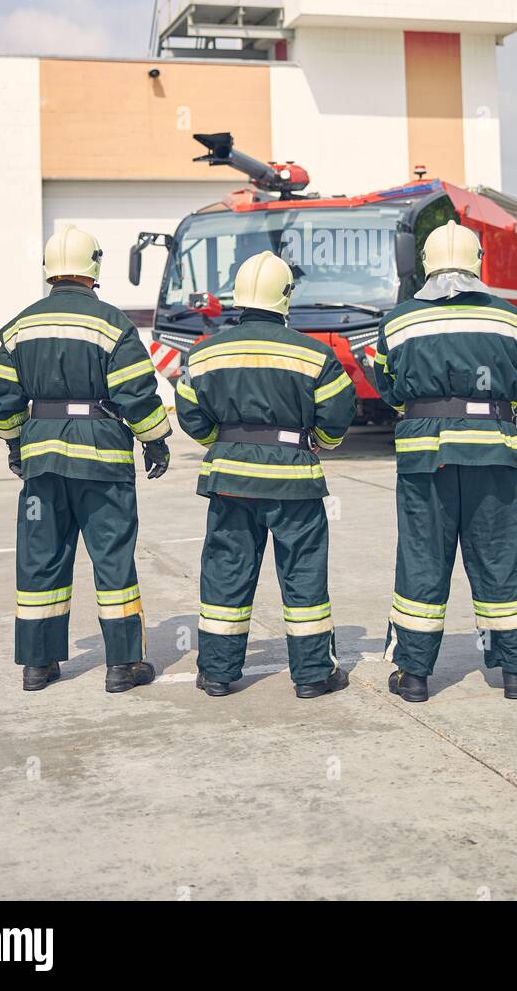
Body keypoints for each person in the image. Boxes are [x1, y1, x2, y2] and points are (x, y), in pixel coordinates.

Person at [0, 224, 171, 694]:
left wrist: (15, 446)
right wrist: (155, 439)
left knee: (41, 559)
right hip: (103, 461)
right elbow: (136, 392)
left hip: (42, 459)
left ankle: (38, 664)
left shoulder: (18, 326)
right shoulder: (113, 324)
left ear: (49, 271)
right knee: (112, 559)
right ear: (94, 268)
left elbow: (4, 401)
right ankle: (122, 665)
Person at [176, 251, 356, 699]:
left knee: (225, 571)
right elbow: (337, 415)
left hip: (230, 481)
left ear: (238, 297)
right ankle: (313, 675)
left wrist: (225, 440)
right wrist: (319, 442)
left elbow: (189, 411)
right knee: (303, 574)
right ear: (286, 297)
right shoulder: (314, 354)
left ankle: (217, 673)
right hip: (294, 480)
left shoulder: (203, 353)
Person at [373, 220, 517, 702]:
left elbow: (388, 387)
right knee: (502, 559)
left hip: (425, 456)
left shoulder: (398, 321)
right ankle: (515, 672)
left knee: (423, 560)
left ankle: (415, 674)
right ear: (477, 262)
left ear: (426, 264)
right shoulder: (510, 319)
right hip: (494, 451)